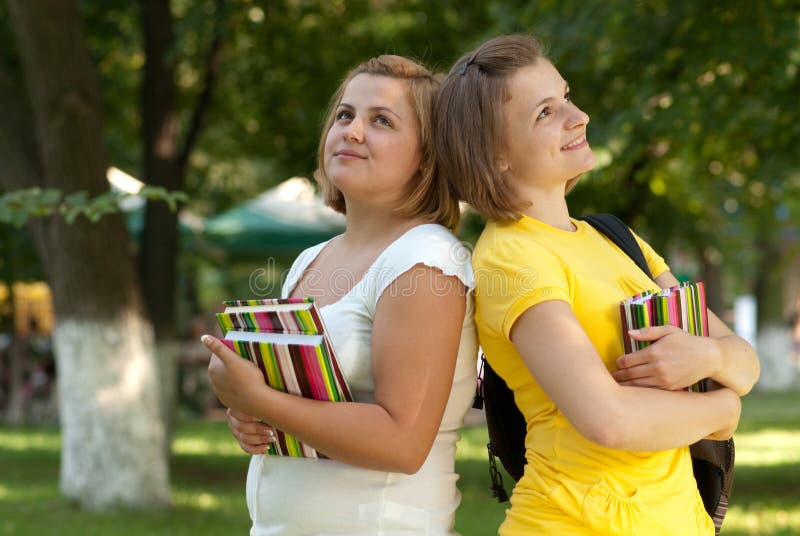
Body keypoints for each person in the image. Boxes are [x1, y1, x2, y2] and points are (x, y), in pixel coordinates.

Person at [435, 35, 760, 535]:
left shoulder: (615, 237)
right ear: (494, 154)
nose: (578, 116)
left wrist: (710, 360)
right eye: (546, 112)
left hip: (676, 519)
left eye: (566, 96)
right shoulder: (510, 257)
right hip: (574, 521)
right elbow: (609, 420)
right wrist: (723, 407)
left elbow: (744, 359)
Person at [203, 55, 478, 535]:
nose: (352, 131)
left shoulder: (427, 260)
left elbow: (403, 443)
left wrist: (261, 401)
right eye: (345, 115)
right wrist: (248, 415)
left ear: (428, 157)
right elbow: (301, 408)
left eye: (382, 121)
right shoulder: (311, 260)